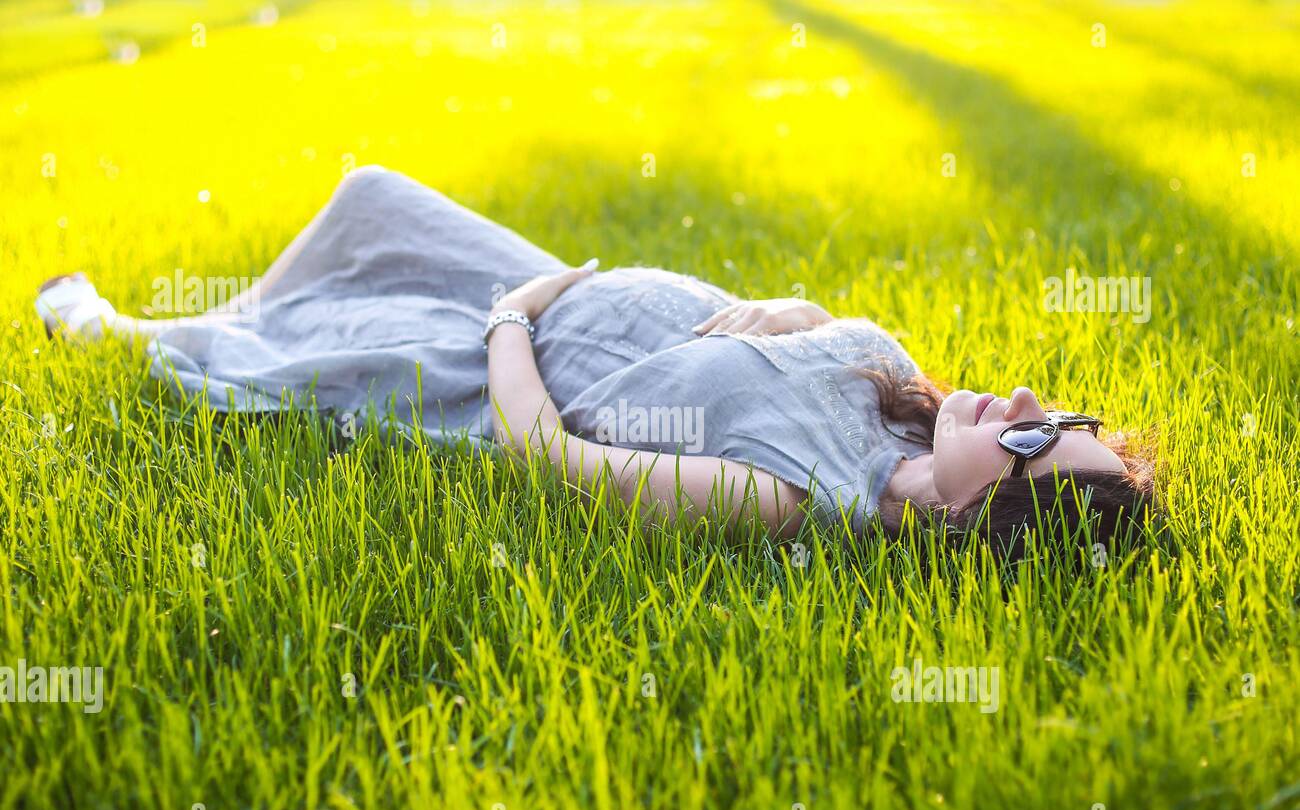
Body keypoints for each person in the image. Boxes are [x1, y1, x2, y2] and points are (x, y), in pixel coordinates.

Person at [35, 166, 1153, 554]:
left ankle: (119, 331)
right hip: (565, 289)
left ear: (968, 522)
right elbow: (809, 333)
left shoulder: (790, 500)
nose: (1019, 400)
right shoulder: (917, 411)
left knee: (290, 353)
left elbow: (548, 457)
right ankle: (249, 308)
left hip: (506, 356)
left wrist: (514, 318)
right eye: (1058, 414)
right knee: (373, 205)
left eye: (1028, 442)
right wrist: (789, 304)